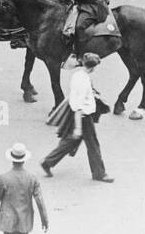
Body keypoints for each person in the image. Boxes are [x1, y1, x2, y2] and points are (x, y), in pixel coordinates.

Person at [41, 53, 113, 182]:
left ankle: (48, 162)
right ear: (92, 67)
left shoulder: (78, 75)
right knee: (93, 145)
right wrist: (78, 127)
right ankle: (99, 173)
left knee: (71, 142)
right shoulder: (84, 80)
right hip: (84, 117)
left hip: (81, 115)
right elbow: (78, 105)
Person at [0, 142, 49, 234]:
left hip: (8, 221)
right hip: (25, 221)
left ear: (11, 159)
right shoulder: (32, 178)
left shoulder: (3, 178)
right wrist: (44, 219)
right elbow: (40, 201)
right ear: (24, 159)